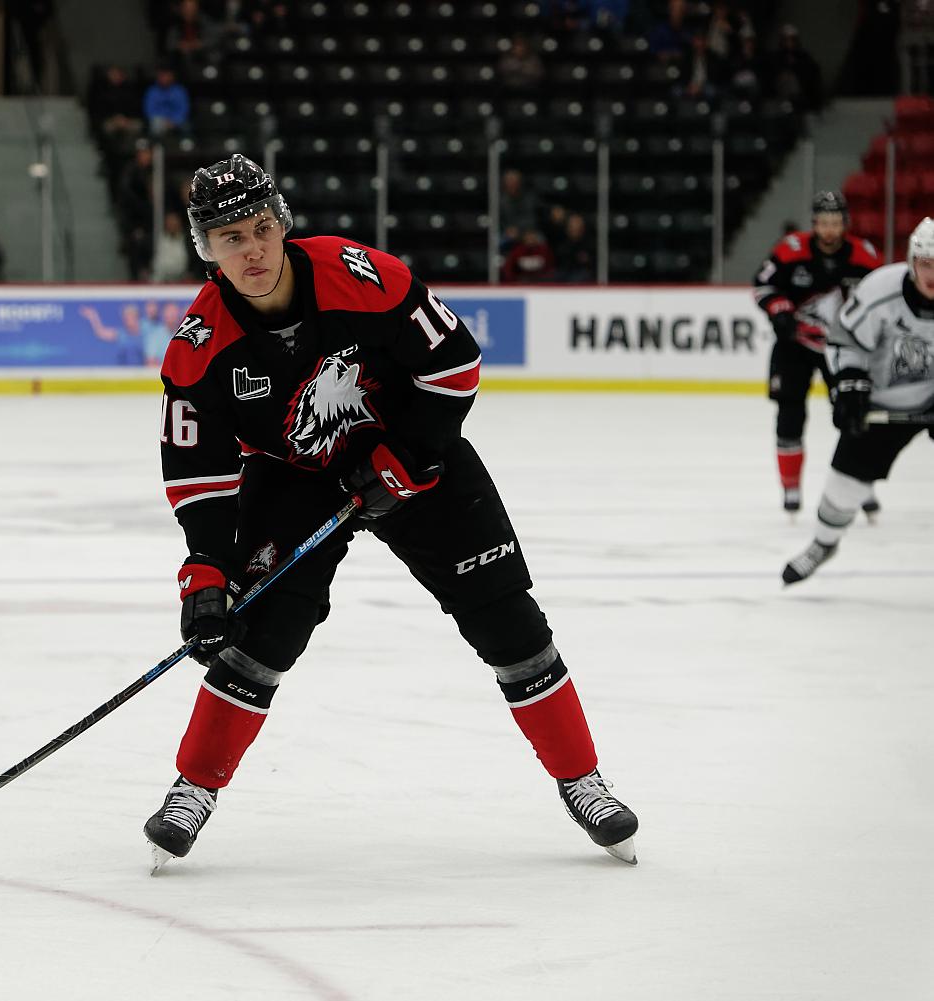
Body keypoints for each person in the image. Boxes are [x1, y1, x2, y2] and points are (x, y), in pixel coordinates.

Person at [144, 154, 639, 872]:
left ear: (280, 222)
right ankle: (192, 788)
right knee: (257, 638)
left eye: (258, 229)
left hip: (409, 453)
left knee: (507, 619)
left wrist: (411, 455)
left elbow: (456, 363)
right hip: (293, 477)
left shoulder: (358, 274)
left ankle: (583, 779)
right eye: (228, 239)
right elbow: (199, 473)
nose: (249, 250)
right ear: (207, 250)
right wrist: (207, 571)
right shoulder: (198, 349)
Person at [782, 217, 934, 585]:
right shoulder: (882, 289)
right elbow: (844, 340)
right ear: (913, 260)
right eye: (928, 263)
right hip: (882, 404)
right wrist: (850, 383)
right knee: (844, 487)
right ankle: (824, 542)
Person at [753, 190, 881, 515]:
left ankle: (859, 483)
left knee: (853, 414)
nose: (829, 230)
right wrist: (779, 309)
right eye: (823, 222)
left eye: (835, 222)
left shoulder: (864, 257)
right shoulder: (791, 249)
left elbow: (882, 300)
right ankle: (791, 486)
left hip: (842, 349)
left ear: (845, 224)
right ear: (814, 223)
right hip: (793, 346)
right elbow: (763, 284)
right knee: (790, 413)